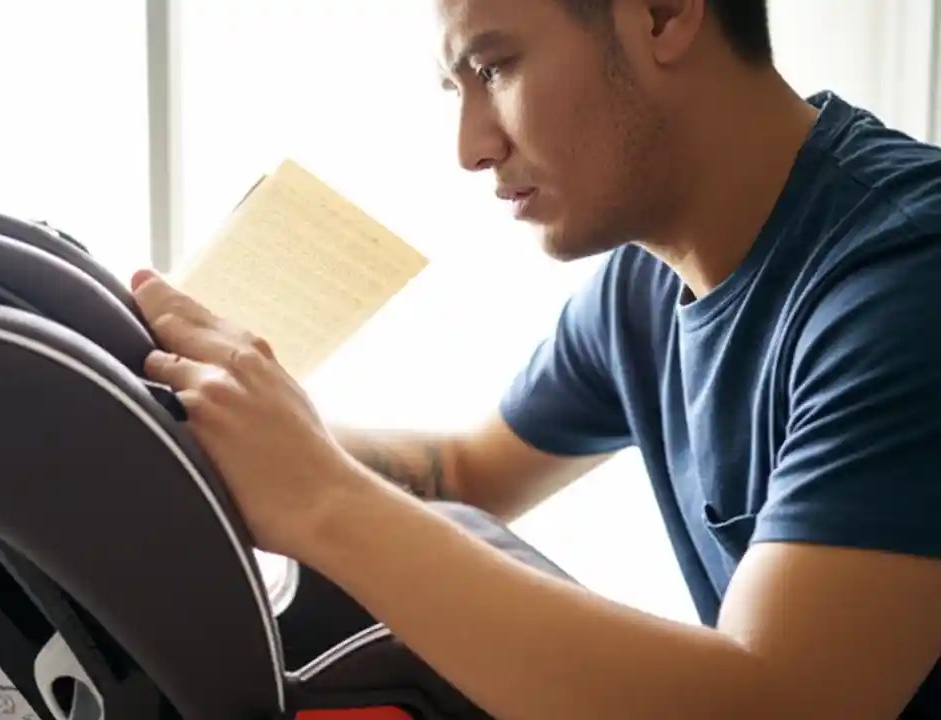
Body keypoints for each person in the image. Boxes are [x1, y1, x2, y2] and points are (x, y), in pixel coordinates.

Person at [129, 0, 941, 717]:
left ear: (661, 14)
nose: (471, 147)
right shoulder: (644, 288)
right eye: (459, 89)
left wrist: (318, 497)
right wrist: (228, 422)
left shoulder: (907, 280)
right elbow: (457, 474)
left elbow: (779, 703)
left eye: (494, 68)